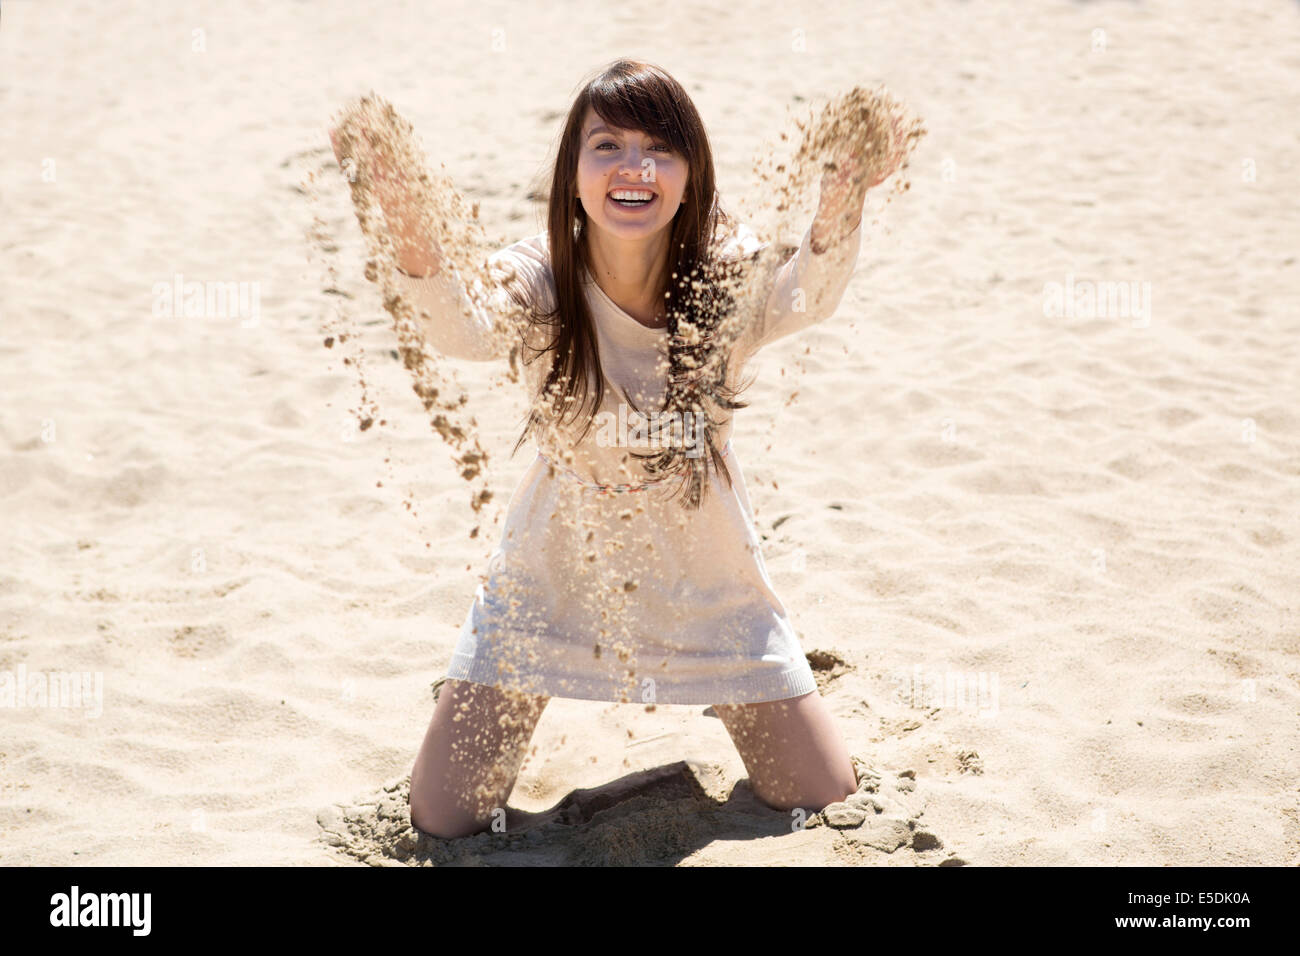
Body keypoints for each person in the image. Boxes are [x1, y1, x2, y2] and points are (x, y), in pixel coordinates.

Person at [330, 59, 909, 840]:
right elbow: (456, 324)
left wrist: (843, 192)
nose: (633, 167)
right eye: (607, 146)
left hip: (710, 583)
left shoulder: (721, 276)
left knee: (823, 797)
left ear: (689, 174)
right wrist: (401, 204)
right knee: (443, 814)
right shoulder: (539, 278)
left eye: (658, 149)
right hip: (551, 580)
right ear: (574, 173)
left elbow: (809, 290)